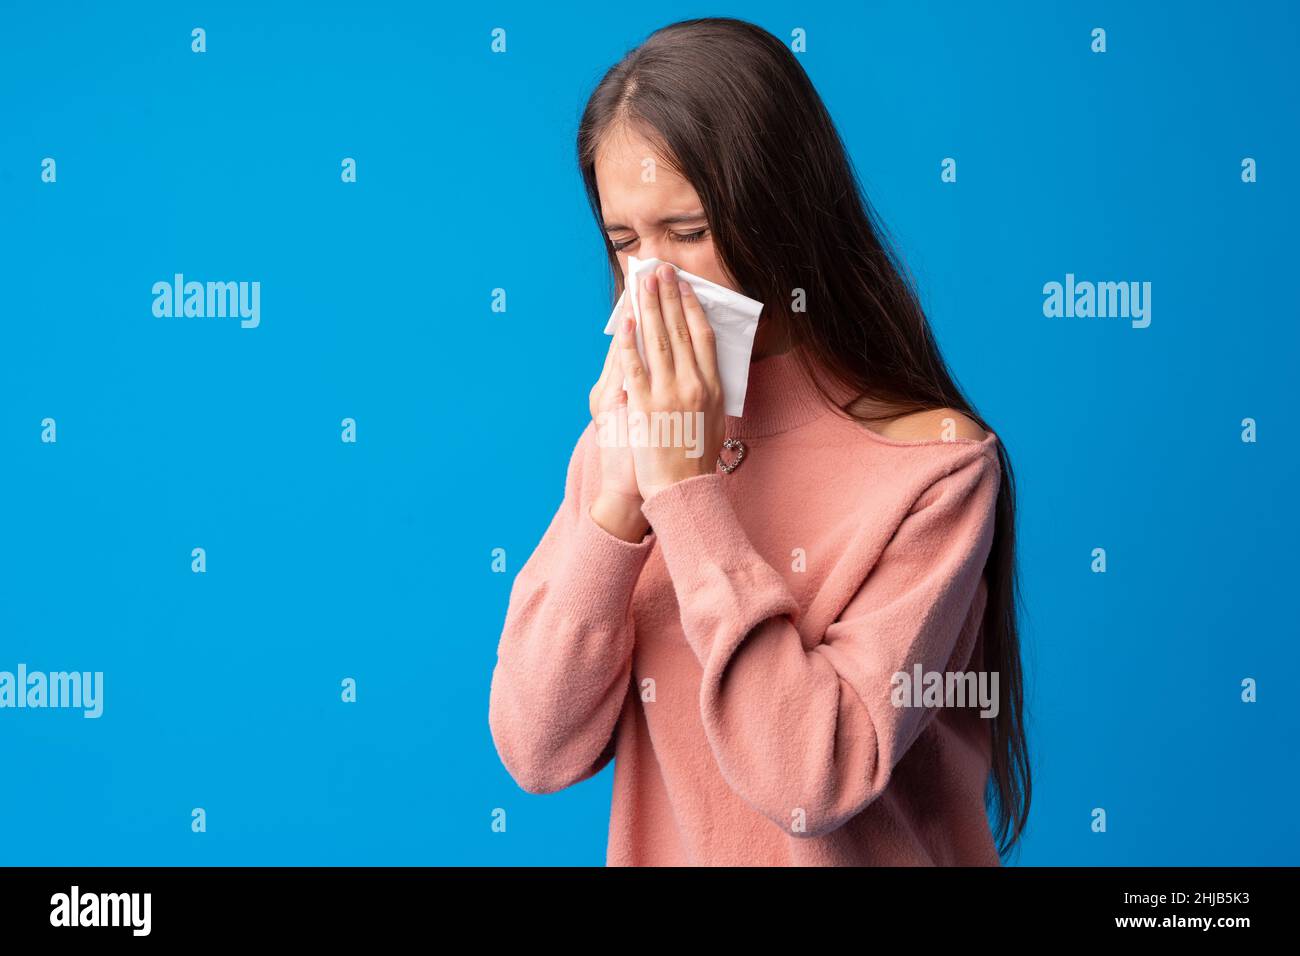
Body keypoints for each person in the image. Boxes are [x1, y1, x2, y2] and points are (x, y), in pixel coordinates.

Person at [488, 17, 1030, 866]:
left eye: (690, 232)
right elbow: (537, 750)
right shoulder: (619, 441)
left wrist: (687, 495)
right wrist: (619, 504)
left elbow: (812, 782)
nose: (654, 280)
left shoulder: (938, 472)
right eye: (626, 243)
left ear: (780, 215)